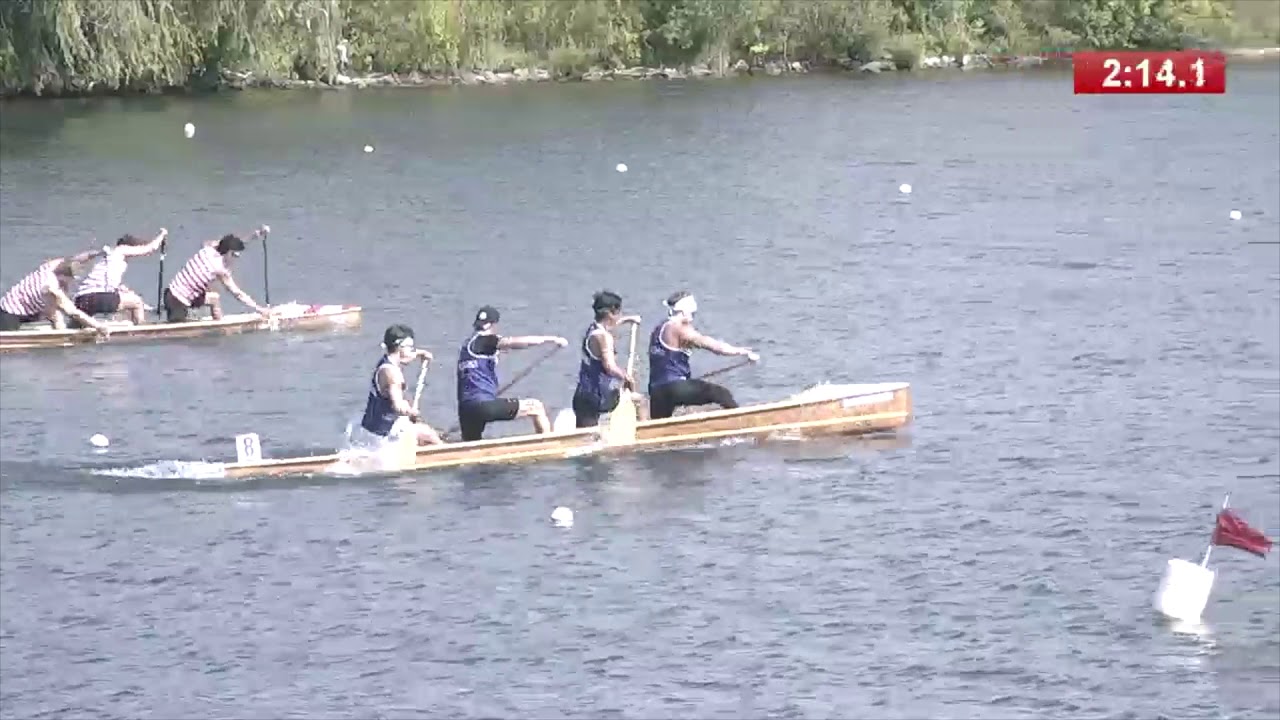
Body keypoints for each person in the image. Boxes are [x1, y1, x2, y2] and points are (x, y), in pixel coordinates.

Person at [455, 305, 568, 441]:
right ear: (494, 325)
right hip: (483, 406)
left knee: (471, 445)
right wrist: (550, 339)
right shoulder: (487, 340)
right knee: (536, 407)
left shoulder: (466, 348)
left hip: (466, 409)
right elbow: (513, 343)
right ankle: (548, 444)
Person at [647, 290, 759, 419]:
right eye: (691, 313)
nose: (692, 318)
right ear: (684, 311)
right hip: (675, 388)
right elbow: (710, 344)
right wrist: (739, 351)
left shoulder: (658, 329)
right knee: (721, 394)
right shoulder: (680, 328)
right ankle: (744, 422)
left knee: (660, 428)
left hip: (656, 393)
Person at [357, 324, 446, 447]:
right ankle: (450, 454)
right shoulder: (393, 375)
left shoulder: (386, 361)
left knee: (429, 431)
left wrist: (421, 353)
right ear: (400, 348)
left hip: (373, 427)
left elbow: (408, 356)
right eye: (410, 347)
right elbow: (398, 405)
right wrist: (411, 412)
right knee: (428, 434)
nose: (412, 351)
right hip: (383, 434)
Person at [163, 228, 272, 323]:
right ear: (228, 252)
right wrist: (260, 309)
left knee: (214, 298)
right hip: (178, 304)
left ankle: (219, 324)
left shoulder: (207, 248)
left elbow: (229, 243)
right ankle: (219, 326)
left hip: (168, 293)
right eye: (234, 255)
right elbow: (237, 293)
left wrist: (256, 234)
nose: (236, 258)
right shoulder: (220, 269)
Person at [571, 290, 643, 428]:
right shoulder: (604, 338)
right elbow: (610, 367)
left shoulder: (592, 329)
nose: (620, 316)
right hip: (597, 397)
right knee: (640, 401)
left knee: (583, 437)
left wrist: (628, 320)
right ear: (611, 313)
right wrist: (627, 378)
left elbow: (610, 325)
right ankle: (646, 433)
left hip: (582, 396)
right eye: (619, 312)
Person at [0, 249, 112, 336]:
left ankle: (60, 334)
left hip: (30, 306)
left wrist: (97, 253)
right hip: (11, 311)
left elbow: (76, 259)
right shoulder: (51, 288)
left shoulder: (52, 266)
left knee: (55, 313)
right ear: (64, 277)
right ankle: (61, 336)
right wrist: (99, 327)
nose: (72, 281)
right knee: (56, 313)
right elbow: (73, 312)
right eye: (72, 278)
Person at [72, 228, 167, 325]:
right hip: (97, 298)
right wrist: (162, 235)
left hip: (80, 301)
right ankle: (141, 328)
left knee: (126, 298)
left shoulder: (106, 258)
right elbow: (151, 248)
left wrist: (150, 309)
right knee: (137, 302)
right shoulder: (121, 249)